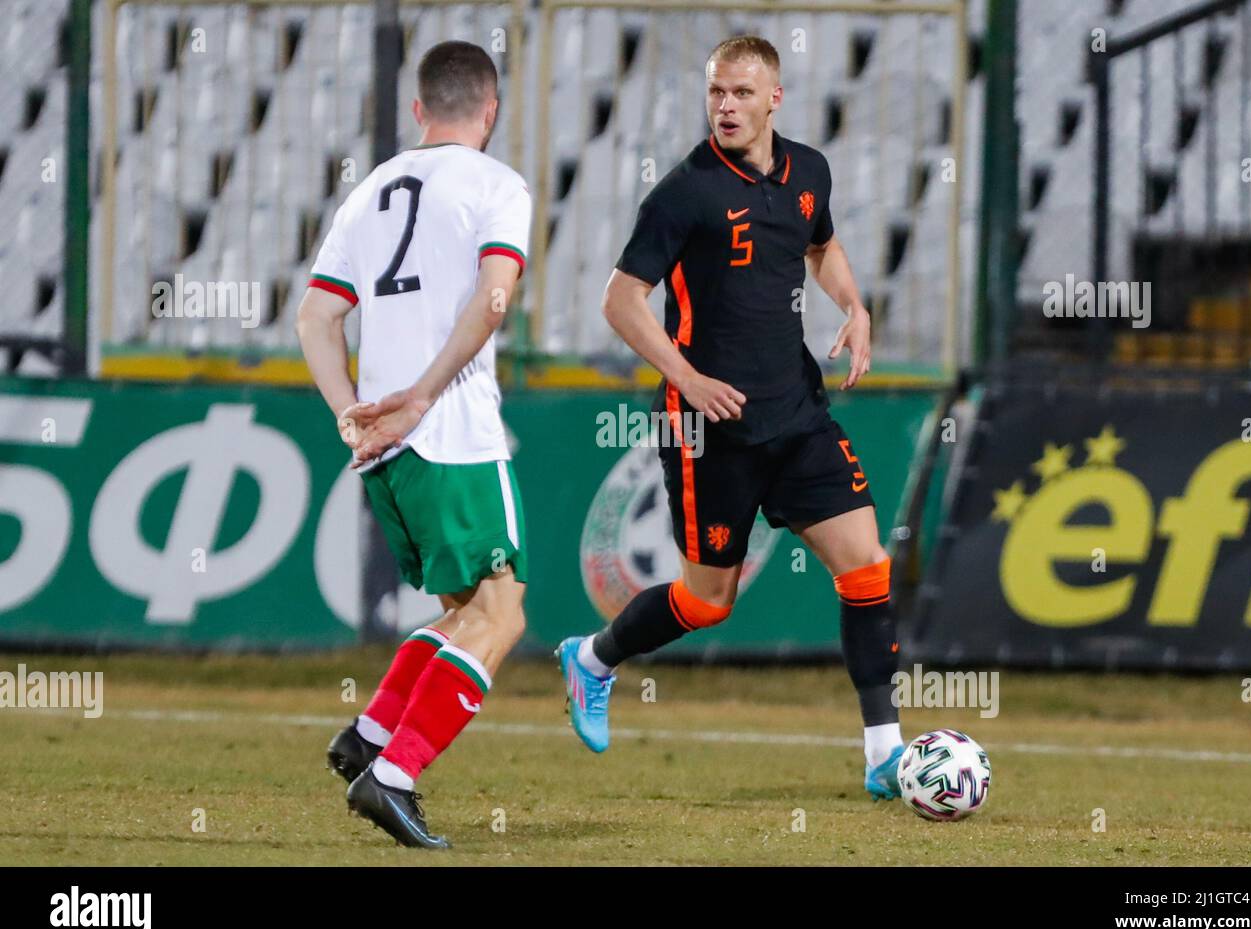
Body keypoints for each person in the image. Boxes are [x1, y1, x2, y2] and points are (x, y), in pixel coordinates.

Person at [556, 35, 905, 800]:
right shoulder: (684, 193)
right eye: (716, 92)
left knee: (867, 566)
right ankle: (593, 659)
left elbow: (823, 245)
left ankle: (884, 752)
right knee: (706, 603)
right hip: (705, 429)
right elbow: (620, 299)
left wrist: (854, 305)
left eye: (742, 93)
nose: (726, 106)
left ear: (774, 99)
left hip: (797, 414)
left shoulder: (809, 171)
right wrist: (686, 376)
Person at [297, 40, 531, 846]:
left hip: (385, 450)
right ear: (491, 110)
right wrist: (425, 394)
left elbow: (316, 317)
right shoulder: (498, 185)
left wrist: (349, 412)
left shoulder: (366, 193)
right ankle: (392, 774)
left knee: (465, 610)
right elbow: (494, 299)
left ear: (420, 110)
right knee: (501, 617)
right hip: (451, 432)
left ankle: (369, 734)